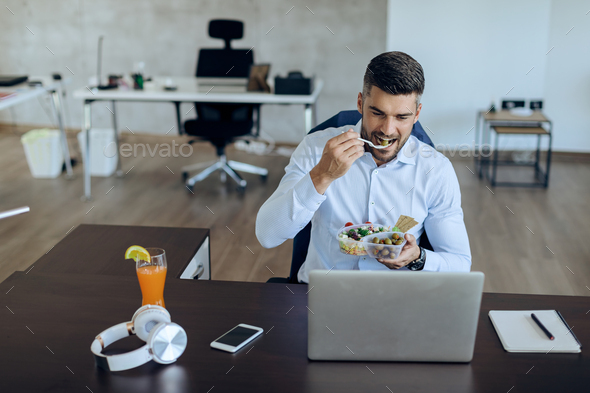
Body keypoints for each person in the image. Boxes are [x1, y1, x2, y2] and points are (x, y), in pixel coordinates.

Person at [256, 51, 471, 284]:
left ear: (417, 114)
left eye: (401, 117)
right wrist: (322, 176)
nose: (388, 130)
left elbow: (460, 263)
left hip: (397, 300)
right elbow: (267, 235)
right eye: (377, 113)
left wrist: (418, 259)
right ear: (360, 103)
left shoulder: (436, 170)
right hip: (322, 294)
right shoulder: (316, 148)